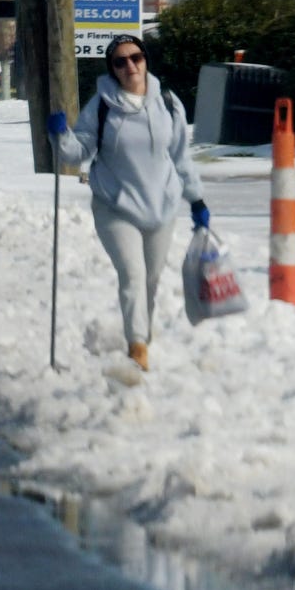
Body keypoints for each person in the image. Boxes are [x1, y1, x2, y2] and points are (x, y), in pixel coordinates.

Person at [47, 36, 208, 371]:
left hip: (161, 204)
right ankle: (137, 347)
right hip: (115, 206)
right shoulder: (102, 106)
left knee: (150, 279)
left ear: (145, 60)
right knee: (133, 274)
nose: (130, 66)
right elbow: (78, 152)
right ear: (113, 69)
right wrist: (61, 135)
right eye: (120, 62)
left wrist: (196, 200)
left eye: (136, 57)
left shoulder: (168, 102)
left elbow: (180, 156)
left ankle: (142, 336)